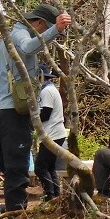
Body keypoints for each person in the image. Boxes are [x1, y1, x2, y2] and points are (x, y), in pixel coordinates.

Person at [0, 4, 71, 212]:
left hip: (4, 111)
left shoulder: (6, 39)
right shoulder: (19, 35)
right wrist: (56, 30)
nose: (44, 35)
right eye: (45, 29)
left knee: (11, 164)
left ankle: (16, 213)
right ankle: (17, 216)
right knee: (17, 167)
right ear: (40, 23)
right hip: (14, 111)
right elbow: (29, 47)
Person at [36, 67, 67, 201]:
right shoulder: (51, 89)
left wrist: (33, 118)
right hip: (55, 133)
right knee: (50, 166)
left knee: (40, 167)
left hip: (52, 134)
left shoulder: (47, 91)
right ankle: (55, 195)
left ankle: (50, 195)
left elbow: (46, 114)